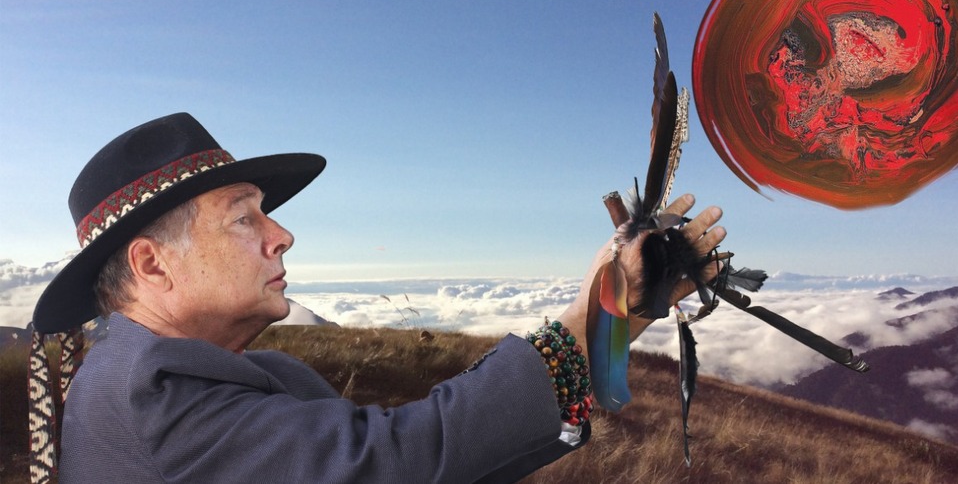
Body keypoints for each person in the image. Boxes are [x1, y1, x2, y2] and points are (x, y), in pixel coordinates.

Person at [31, 112, 726, 483]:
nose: (283, 236)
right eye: (246, 218)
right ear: (152, 266)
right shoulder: (156, 396)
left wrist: (621, 320)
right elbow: (400, 461)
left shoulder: (198, 376)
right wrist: (600, 311)